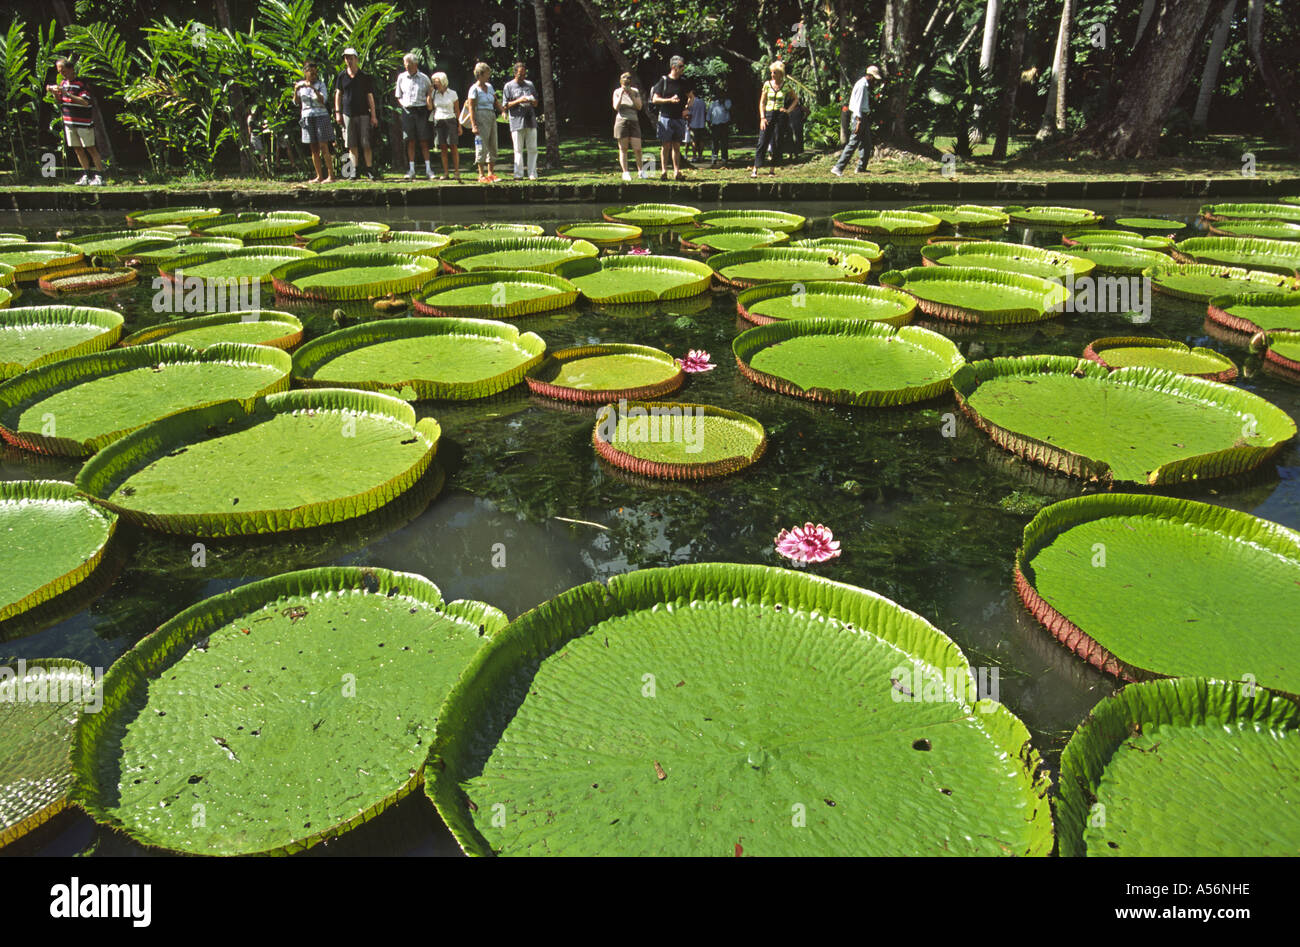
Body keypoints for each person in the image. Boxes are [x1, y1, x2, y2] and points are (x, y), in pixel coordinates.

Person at [47, 58, 105, 186]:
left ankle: (100, 176)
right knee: (78, 149)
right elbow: (60, 101)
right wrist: (54, 93)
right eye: (59, 71)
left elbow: (85, 102)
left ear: (71, 69)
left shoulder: (81, 83)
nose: (61, 73)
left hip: (84, 122)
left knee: (90, 148)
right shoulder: (63, 83)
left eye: (63, 70)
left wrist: (66, 93)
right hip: (70, 122)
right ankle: (86, 175)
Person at [333, 47, 379, 180]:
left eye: (351, 58)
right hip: (347, 113)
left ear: (356, 59)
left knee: (366, 143)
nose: (348, 60)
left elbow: (369, 96)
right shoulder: (341, 76)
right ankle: (354, 171)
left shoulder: (364, 76)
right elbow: (338, 94)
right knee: (351, 144)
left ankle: (369, 170)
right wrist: (337, 112)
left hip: (363, 113)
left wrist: (373, 115)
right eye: (346, 58)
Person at [831, 65, 881, 176]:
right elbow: (857, 105)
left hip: (863, 116)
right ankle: (838, 167)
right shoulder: (862, 85)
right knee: (853, 143)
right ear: (871, 76)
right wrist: (858, 121)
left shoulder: (864, 85)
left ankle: (861, 168)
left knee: (867, 143)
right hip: (859, 117)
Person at [651, 55, 694, 181]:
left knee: (676, 145)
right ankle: (664, 171)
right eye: (680, 67)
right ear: (673, 67)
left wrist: (687, 108)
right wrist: (669, 100)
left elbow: (691, 97)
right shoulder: (664, 81)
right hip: (666, 117)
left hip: (679, 118)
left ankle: (676, 171)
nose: (682, 69)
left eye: (683, 66)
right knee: (666, 145)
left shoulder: (683, 82)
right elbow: (655, 99)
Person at [752, 61, 797, 178]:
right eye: (771, 72)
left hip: (780, 116)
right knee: (762, 141)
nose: (772, 74)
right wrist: (762, 117)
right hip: (768, 114)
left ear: (780, 74)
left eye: (775, 72)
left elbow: (795, 99)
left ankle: (772, 169)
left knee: (777, 141)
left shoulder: (786, 85)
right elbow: (762, 102)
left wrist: (788, 110)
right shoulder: (767, 84)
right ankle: (755, 169)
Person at [395, 54, 435, 179]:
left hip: (421, 111)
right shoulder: (401, 77)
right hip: (408, 111)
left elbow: (430, 92)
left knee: (424, 140)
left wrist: (429, 102)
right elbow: (398, 95)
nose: (406, 66)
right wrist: (404, 105)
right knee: (410, 140)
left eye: (408, 64)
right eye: (405, 64)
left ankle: (429, 170)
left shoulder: (424, 78)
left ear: (415, 64)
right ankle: (411, 170)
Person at [295, 62, 336, 184]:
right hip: (307, 117)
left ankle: (331, 175)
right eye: (311, 72)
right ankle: (319, 176)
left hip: (321, 116)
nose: (313, 75)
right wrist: (295, 90)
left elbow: (323, 100)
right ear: (305, 72)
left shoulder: (320, 84)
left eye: (315, 73)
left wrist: (313, 89)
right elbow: (296, 102)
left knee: (324, 146)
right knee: (313, 148)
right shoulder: (301, 86)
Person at [502, 61, 540, 180]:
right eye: (520, 74)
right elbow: (505, 105)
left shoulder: (530, 84)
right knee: (518, 149)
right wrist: (519, 101)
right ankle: (518, 174)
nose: (523, 76)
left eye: (524, 74)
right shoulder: (508, 86)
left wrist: (532, 101)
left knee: (532, 148)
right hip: (516, 121)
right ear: (515, 73)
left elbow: (536, 102)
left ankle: (532, 173)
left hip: (530, 119)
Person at [466, 62, 502, 183]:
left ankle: (491, 173)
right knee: (481, 144)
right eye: (487, 73)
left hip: (491, 115)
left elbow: (495, 101)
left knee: (493, 143)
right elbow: (471, 107)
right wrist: (474, 125)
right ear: (480, 74)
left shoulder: (490, 86)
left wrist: (502, 111)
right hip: (480, 116)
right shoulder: (474, 89)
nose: (489, 76)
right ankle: (481, 174)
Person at [612, 73, 647, 182]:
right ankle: (625, 172)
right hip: (621, 121)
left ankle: (641, 171)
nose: (626, 82)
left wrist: (631, 95)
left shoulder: (635, 91)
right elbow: (616, 107)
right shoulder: (617, 92)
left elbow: (639, 107)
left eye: (628, 80)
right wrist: (622, 94)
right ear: (620, 81)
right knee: (623, 148)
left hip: (634, 121)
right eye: (624, 80)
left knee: (638, 148)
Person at [429, 72, 461, 182]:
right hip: (439, 121)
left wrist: (459, 126)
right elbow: (429, 107)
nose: (434, 84)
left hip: (450, 120)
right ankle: (446, 172)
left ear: (443, 81)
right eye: (434, 82)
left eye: (436, 82)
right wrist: (429, 94)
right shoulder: (434, 94)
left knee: (453, 146)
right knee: (442, 147)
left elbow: (457, 111)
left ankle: (456, 172)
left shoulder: (452, 93)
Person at [707, 95, 732, 167]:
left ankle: (724, 159)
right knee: (715, 142)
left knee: (724, 142)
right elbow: (709, 113)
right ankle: (714, 158)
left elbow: (728, 108)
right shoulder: (713, 103)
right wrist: (709, 123)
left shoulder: (727, 102)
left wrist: (723, 103)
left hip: (724, 125)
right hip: (715, 125)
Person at [686, 93, 707, 161]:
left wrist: (688, 123)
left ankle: (694, 156)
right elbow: (704, 112)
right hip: (702, 124)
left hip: (693, 124)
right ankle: (700, 156)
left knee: (694, 141)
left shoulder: (691, 103)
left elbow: (689, 115)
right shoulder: (702, 102)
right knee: (701, 141)